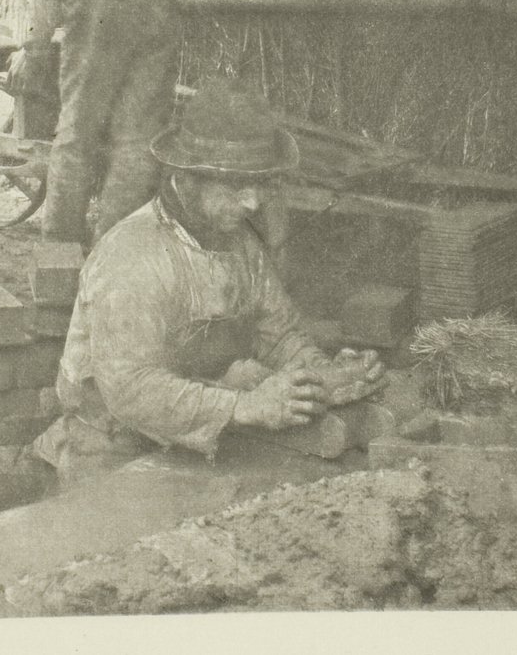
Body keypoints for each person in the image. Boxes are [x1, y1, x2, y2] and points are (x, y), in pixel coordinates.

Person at [30, 78, 383, 470]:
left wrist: (322, 373)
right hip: (108, 447)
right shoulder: (132, 255)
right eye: (236, 186)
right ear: (189, 178)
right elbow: (130, 389)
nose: (253, 202)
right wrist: (246, 406)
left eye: (259, 184)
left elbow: (280, 336)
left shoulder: (241, 244)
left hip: (198, 440)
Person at [13, 0, 180, 248]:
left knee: (77, 130)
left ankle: (60, 252)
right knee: (138, 138)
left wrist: (33, 49)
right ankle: (112, 253)